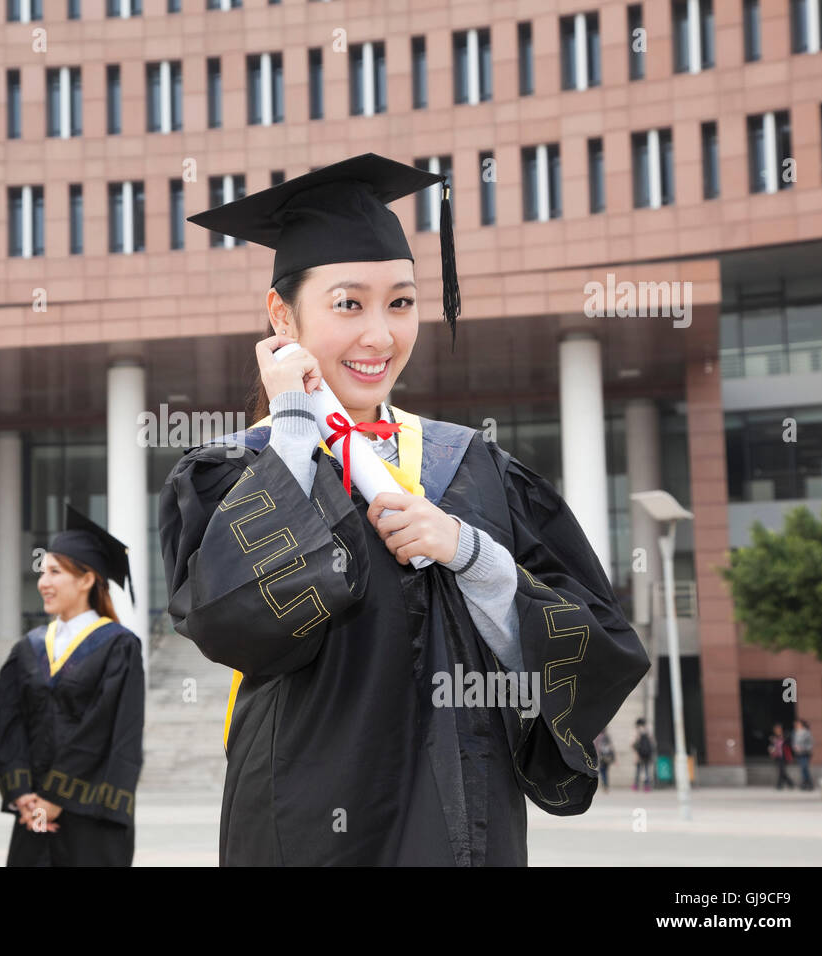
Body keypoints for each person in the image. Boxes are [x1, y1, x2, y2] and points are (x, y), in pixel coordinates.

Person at [159, 153, 650, 865]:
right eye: (348, 303)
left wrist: (473, 556)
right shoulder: (236, 469)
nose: (381, 337)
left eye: (402, 301)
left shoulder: (473, 465)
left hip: (460, 816)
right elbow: (229, 621)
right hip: (300, 820)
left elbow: (597, 648)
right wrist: (296, 428)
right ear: (281, 316)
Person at [0, 503, 145, 866]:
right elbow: (7, 724)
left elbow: (107, 728)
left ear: (87, 579)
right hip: (32, 817)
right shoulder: (28, 649)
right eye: (42, 572)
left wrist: (54, 800)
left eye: (55, 572)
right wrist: (23, 795)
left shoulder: (118, 646)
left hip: (92, 816)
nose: (43, 582)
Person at [769, 723, 795, 790]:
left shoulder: (786, 736)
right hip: (777, 756)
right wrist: (771, 751)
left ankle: (781, 785)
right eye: (776, 729)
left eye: (778, 729)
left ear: (781, 729)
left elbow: (789, 745)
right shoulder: (773, 737)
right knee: (781, 771)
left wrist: (783, 739)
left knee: (782, 770)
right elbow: (771, 746)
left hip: (784, 756)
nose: (777, 730)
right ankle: (789, 783)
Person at [792, 719, 814, 791]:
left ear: (801, 725)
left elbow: (810, 744)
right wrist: (795, 747)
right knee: (803, 768)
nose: (796, 725)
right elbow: (793, 742)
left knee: (804, 767)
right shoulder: (795, 733)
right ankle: (807, 783)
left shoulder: (807, 732)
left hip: (805, 753)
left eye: (798, 724)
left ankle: (807, 783)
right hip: (798, 754)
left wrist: (802, 748)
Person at [632, 719, 653, 792]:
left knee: (638, 770)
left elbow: (634, 744)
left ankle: (636, 786)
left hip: (639, 754)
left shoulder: (637, 732)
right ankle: (647, 786)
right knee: (646, 770)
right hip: (647, 754)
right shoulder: (648, 731)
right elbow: (652, 743)